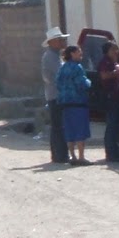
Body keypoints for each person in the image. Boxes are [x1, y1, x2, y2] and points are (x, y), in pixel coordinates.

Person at [56, 45, 92, 165]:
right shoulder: (77, 68)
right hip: (78, 102)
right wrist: (89, 82)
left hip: (65, 103)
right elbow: (82, 83)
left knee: (70, 129)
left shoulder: (62, 68)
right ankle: (81, 157)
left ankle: (73, 156)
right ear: (72, 53)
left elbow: (58, 84)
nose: (81, 53)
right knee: (80, 129)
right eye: (78, 52)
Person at [41, 27, 70, 164]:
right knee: (58, 127)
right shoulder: (51, 57)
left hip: (56, 95)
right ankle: (60, 155)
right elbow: (60, 75)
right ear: (52, 42)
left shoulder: (55, 55)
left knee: (59, 126)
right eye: (60, 40)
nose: (63, 42)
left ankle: (60, 155)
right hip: (56, 95)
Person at [97, 40, 119, 162]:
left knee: (116, 126)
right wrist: (118, 72)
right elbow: (104, 76)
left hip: (118, 97)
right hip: (110, 98)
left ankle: (116, 152)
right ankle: (111, 154)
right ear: (107, 51)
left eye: (116, 49)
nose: (116, 51)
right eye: (113, 49)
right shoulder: (105, 62)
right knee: (111, 125)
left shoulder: (114, 62)